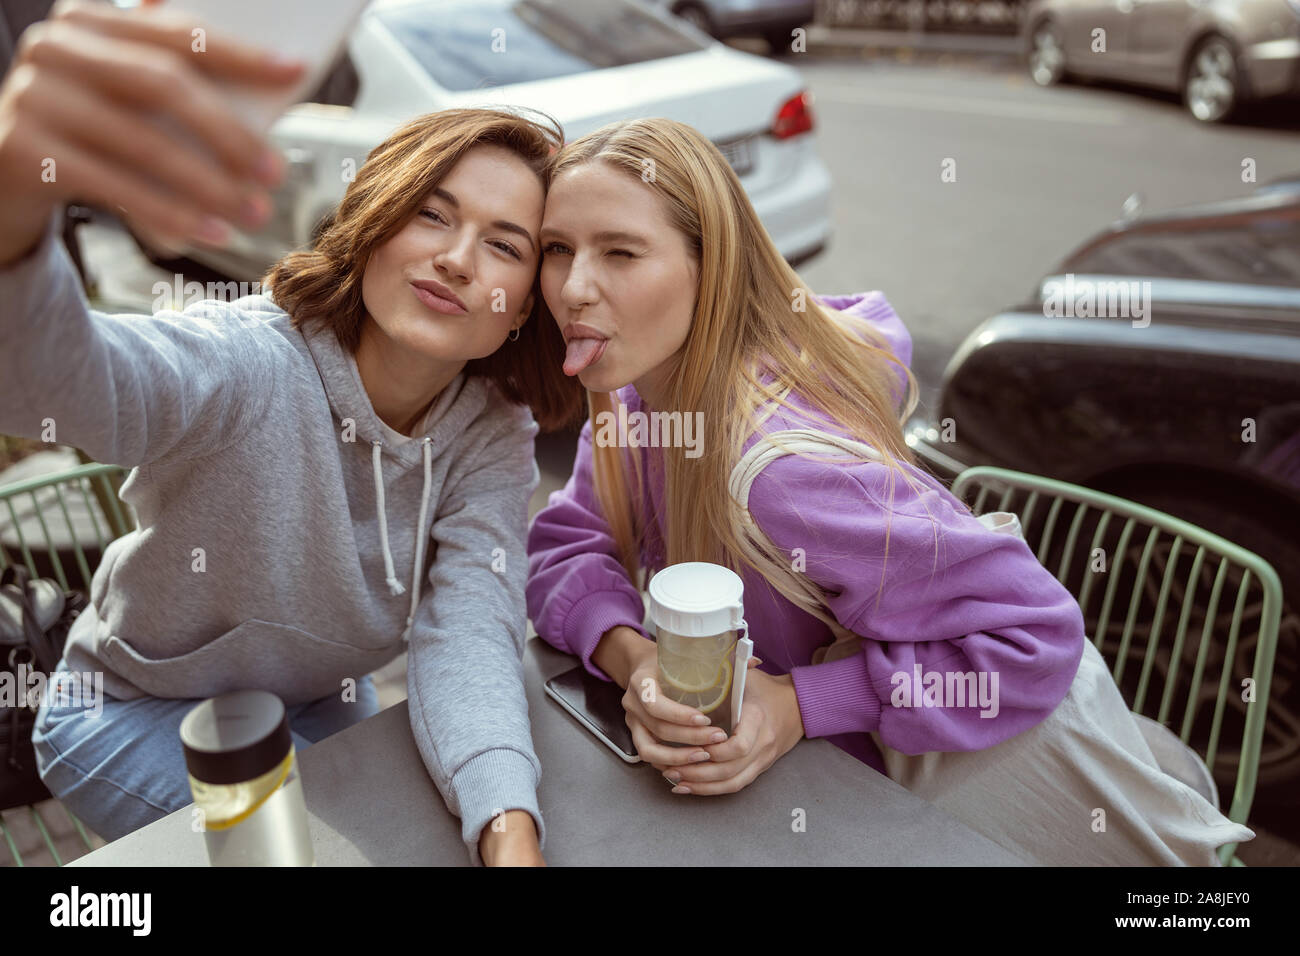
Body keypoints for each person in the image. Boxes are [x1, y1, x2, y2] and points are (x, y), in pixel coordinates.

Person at [524, 116, 1254, 865]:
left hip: (886, 814)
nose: (574, 287)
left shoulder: (781, 476)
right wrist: (635, 661)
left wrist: (801, 706)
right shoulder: (638, 400)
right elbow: (562, 545)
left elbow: (1033, 643)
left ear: (713, 268)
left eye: (620, 251)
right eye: (557, 249)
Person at [0, 0, 581, 866]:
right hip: (124, 708)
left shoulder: (490, 431)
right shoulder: (246, 361)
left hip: (313, 700)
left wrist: (509, 829)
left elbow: (466, 629)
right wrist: (14, 200)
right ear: (373, 222)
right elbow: (48, 385)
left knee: (440, 833)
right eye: (431, 213)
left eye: (504, 245)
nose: (459, 258)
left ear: (522, 308)